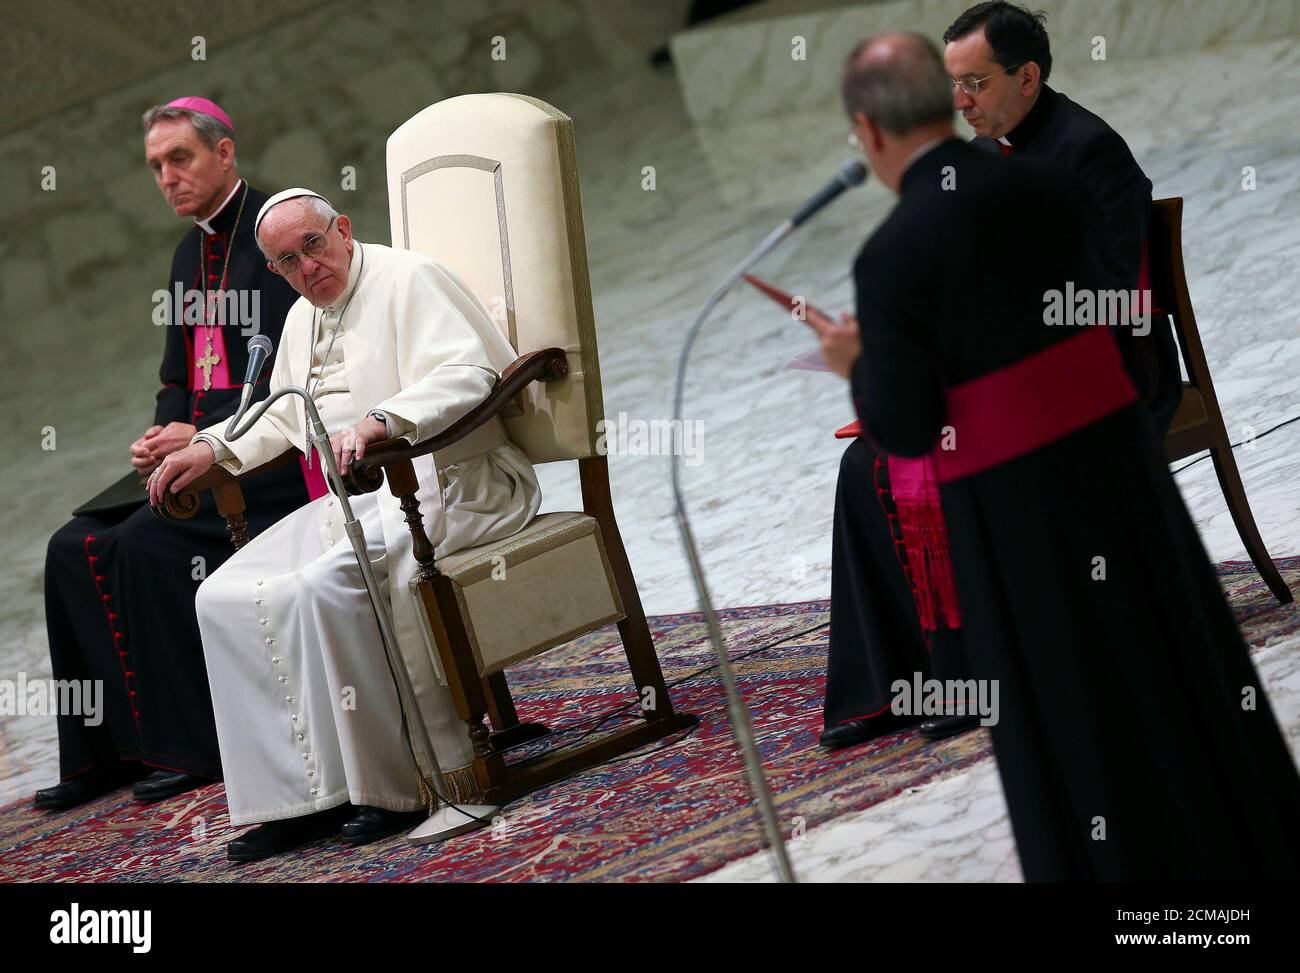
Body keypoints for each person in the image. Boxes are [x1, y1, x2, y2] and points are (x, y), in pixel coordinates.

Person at [808, 30, 1300, 880]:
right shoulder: (1048, 189)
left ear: (870, 131)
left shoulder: (889, 256)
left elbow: (909, 423)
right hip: (1118, 478)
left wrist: (860, 365)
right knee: (1172, 662)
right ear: (941, 97)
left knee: (1066, 716)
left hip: (1015, 513)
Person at [820, 2, 1181, 751]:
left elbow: (1111, 295)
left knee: (911, 458)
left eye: (975, 84)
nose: (960, 103)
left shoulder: (1087, 153)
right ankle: (897, 678)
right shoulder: (985, 164)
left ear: (1028, 76)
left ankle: (976, 669)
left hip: (1105, 383)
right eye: (951, 85)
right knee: (862, 466)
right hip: (1007, 386)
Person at [150, 189, 542, 862]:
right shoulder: (303, 318)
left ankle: (401, 783)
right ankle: (300, 796)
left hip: (455, 482)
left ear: (344, 230)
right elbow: (280, 414)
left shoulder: (408, 278)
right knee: (221, 595)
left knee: (324, 586)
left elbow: (473, 372)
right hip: (360, 502)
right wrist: (211, 448)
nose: (308, 267)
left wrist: (384, 420)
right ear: (275, 272)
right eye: (287, 261)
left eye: (314, 245)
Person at [36, 98, 309, 811]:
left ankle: (191, 744)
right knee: (69, 546)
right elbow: (174, 380)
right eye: (156, 166)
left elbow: (294, 376)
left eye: (180, 158)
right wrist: (159, 440)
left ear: (225, 152)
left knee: (143, 541)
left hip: (266, 463)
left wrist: (204, 435)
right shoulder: (188, 255)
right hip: (192, 458)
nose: (167, 177)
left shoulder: (276, 234)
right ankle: (105, 751)